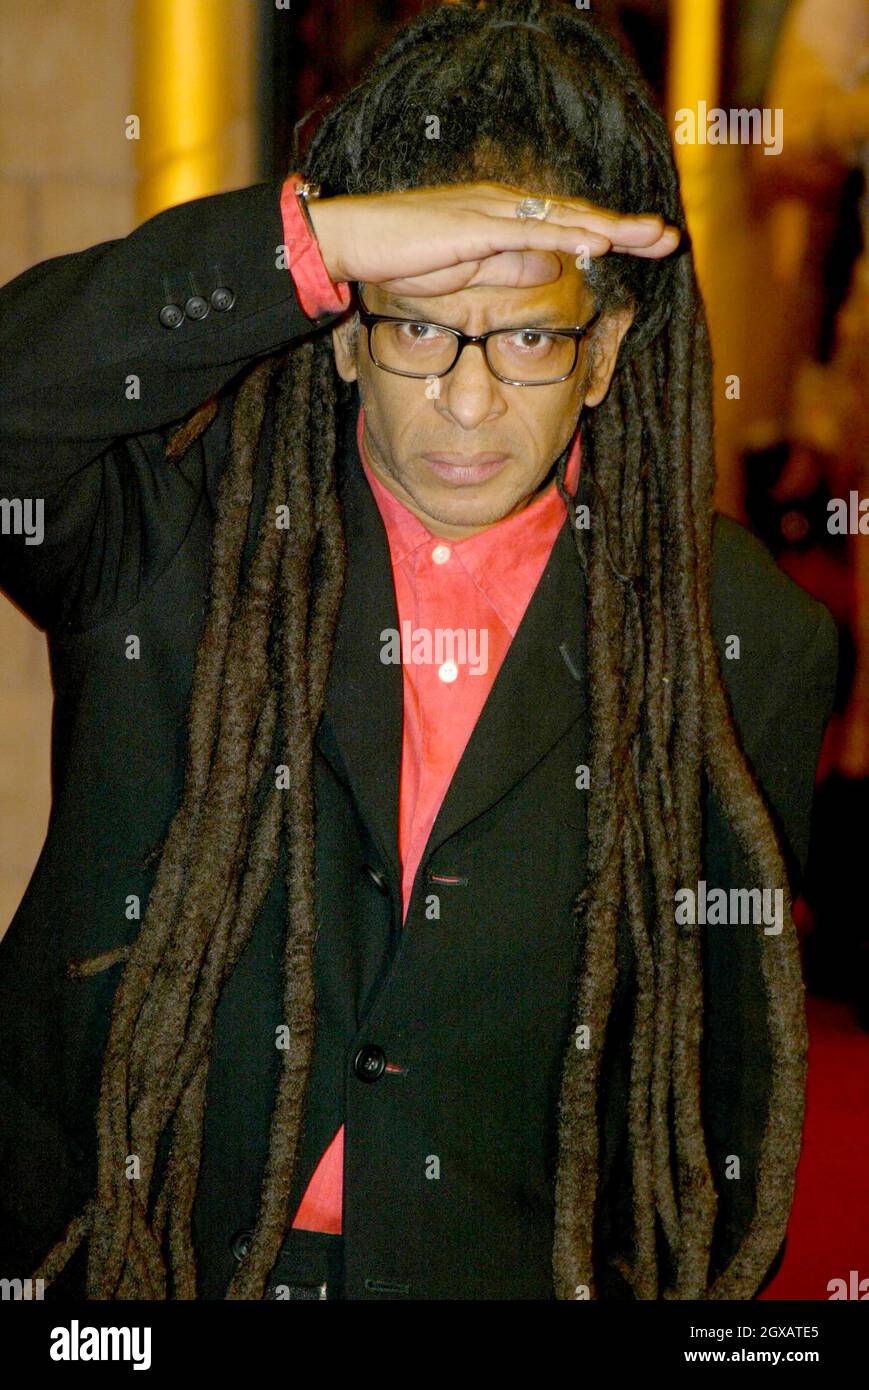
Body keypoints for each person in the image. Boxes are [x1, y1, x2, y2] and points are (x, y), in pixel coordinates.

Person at [0, 0, 837, 1301]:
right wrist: (309, 242)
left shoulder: (738, 646)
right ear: (346, 324)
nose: (465, 394)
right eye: (415, 323)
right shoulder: (186, 528)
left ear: (605, 352)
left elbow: (722, 1098)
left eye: (526, 336)